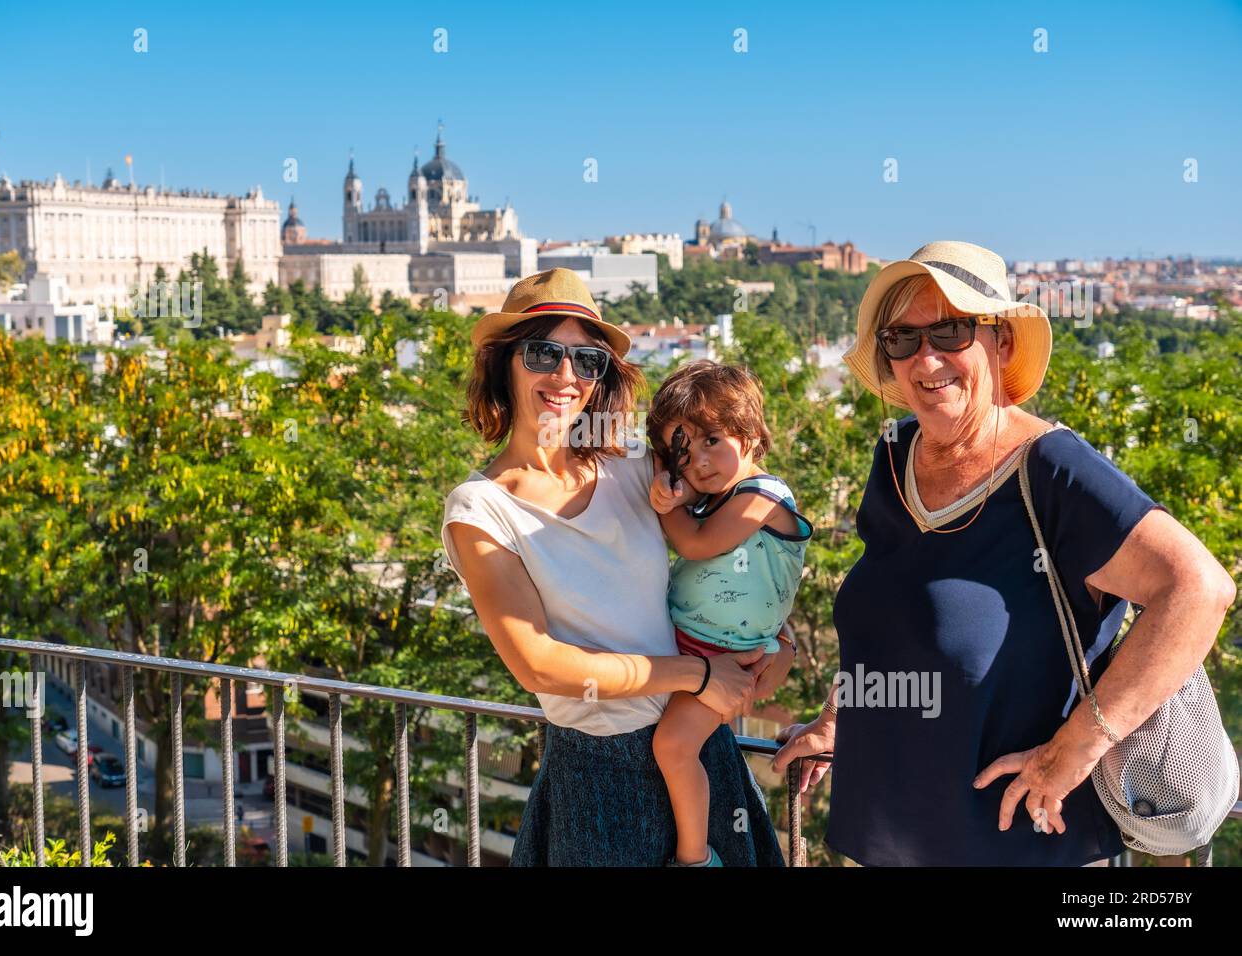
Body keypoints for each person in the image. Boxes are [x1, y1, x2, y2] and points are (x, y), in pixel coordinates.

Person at [772, 240, 1236, 865]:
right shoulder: (895, 453)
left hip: (1019, 847)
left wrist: (1073, 750)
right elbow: (890, 620)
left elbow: (1200, 589)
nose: (925, 357)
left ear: (1002, 343)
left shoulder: (1052, 470)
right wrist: (838, 717)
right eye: (902, 339)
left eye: (950, 330)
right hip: (880, 838)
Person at [439, 268, 792, 866]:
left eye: (588, 360)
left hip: (700, 747)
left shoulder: (633, 460)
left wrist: (775, 643)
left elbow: (740, 551)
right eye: (544, 352)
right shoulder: (481, 509)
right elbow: (540, 665)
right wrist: (696, 676)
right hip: (602, 772)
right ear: (504, 363)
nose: (566, 376)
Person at [645, 361, 812, 867]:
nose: (699, 461)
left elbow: (697, 545)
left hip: (726, 658)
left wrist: (666, 506)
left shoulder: (763, 496)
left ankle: (696, 858)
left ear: (749, 433)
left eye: (712, 440)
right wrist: (676, 489)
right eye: (683, 452)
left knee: (673, 747)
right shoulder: (719, 495)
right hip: (693, 645)